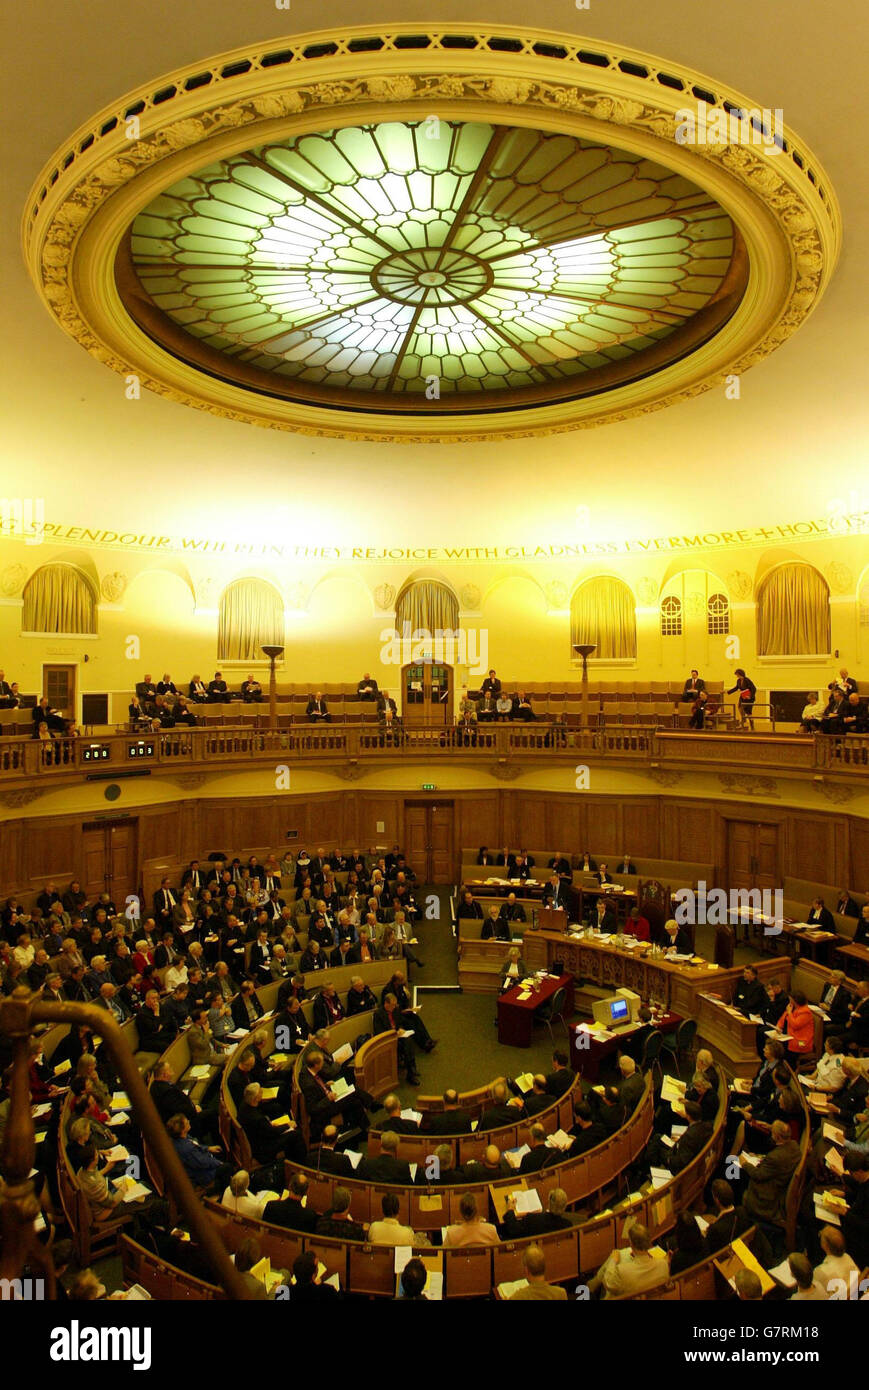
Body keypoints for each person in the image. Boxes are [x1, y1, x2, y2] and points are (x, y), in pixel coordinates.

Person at [589, 1220, 669, 1299]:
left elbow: (607, 1282)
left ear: (631, 1242)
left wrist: (613, 1260)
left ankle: (590, 1286)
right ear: (649, 1241)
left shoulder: (623, 1271)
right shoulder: (663, 1264)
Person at [742, 1119, 801, 1226]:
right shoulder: (795, 1146)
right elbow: (777, 1164)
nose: (771, 1135)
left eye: (772, 1133)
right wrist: (761, 1157)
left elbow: (758, 1175)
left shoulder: (775, 1158)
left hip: (767, 1197)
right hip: (779, 1182)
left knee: (736, 1171)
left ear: (777, 1137)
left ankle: (740, 1213)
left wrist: (744, 1163)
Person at [500, 1188, 571, 1240]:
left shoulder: (533, 1219)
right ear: (565, 1206)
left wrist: (510, 1210)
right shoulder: (568, 1226)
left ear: (549, 1203)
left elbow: (514, 1230)